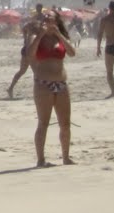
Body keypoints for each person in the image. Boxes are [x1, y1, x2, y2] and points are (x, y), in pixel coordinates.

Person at [23, 11, 75, 167]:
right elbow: (29, 54)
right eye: (44, 19)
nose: (46, 20)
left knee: (65, 123)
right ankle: (41, 160)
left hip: (61, 83)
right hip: (43, 84)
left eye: (50, 18)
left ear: (56, 21)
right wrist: (41, 35)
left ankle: (66, 157)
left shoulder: (60, 36)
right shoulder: (36, 37)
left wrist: (58, 34)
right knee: (43, 123)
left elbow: (72, 53)